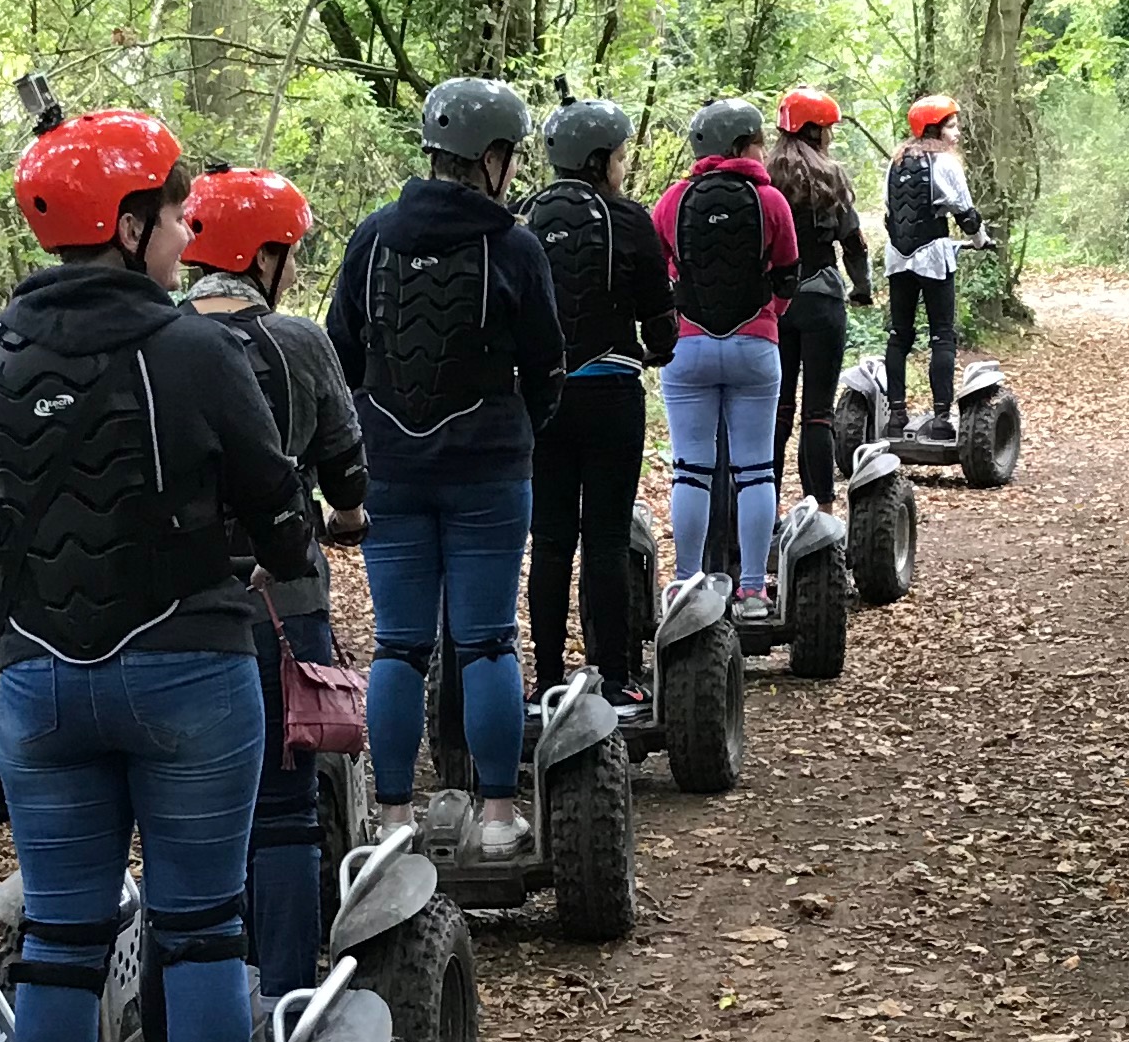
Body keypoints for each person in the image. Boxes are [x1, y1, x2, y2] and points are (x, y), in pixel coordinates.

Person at [0, 105, 320, 1042]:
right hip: (192, 677)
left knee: (61, 938)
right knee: (200, 926)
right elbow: (280, 511)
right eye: (168, 211)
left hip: (40, 687)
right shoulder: (195, 349)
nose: (180, 230)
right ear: (126, 226)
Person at [324, 78, 565, 860]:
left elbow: (341, 356)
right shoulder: (515, 246)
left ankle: (393, 819)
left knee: (398, 645)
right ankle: (498, 816)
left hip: (388, 467)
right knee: (488, 641)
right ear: (491, 157)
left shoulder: (371, 238)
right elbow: (548, 367)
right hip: (490, 470)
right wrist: (516, 431)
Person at [181, 162, 368, 997]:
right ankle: (286, 993)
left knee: (190, 819)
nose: (293, 269)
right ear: (257, 256)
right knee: (285, 808)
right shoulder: (299, 344)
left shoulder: (157, 342)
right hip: (283, 605)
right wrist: (349, 517)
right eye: (287, 252)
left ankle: (198, 997)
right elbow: (347, 470)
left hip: (175, 612)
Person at [519, 96, 676, 704]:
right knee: (606, 537)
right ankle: (616, 678)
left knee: (551, 537)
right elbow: (660, 319)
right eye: (618, 153)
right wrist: (654, 346)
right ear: (598, 158)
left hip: (542, 401)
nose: (623, 162)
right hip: (611, 393)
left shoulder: (522, 218)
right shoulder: (630, 220)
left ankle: (548, 679)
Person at [651, 96, 800, 605]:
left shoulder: (673, 200)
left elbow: (658, 269)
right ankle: (754, 588)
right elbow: (787, 273)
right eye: (757, 140)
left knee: (690, 470)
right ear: (740, 145)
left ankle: (686, 582)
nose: (763, 150)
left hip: (687, 348)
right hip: (755, 347)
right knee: (755, 469)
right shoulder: (770, 201)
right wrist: (768, 318)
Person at [766, 88, 873, 507]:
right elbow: (854, 242)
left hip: (775, 304)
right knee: (818, 413)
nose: (829, 136)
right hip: (822, 298)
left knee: (778, 411)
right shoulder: (833, 175)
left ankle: (765, 509)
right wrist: (861, 288)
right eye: (827, 128)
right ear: (814, 130)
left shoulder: (763, 175)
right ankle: (822, 511)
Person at [882, 94, 986, 439]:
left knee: (899, 335)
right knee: (942, 335)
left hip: (898, 258)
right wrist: (980, 240)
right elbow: (965, 213)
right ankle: (942, 418)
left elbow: (889, 212)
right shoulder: (945, 163)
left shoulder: (896, 162)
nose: (956, 133)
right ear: (934, 128)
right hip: (934, 259)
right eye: (951, 126)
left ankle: (896, 415)